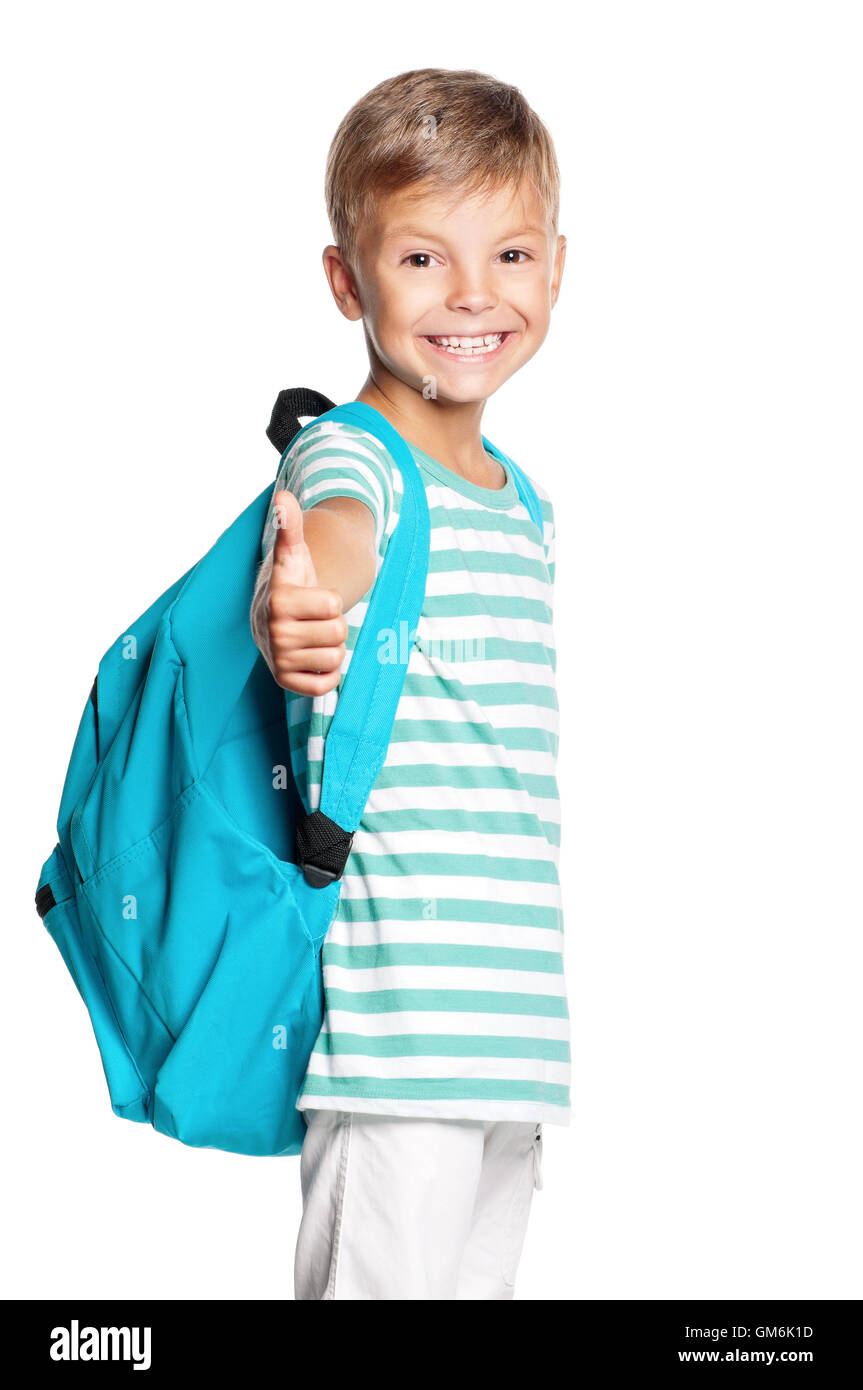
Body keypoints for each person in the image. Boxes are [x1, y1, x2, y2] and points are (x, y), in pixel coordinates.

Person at [250, 67, 569, 1300]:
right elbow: (331, 542)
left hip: (506, 1047)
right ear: (347, 280)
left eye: (510, 252)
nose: (474, 293)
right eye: (423, 259)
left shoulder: (525, 501)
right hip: (396, 1054)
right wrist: (305, 604)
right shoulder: (357, 452)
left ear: (557, 265)